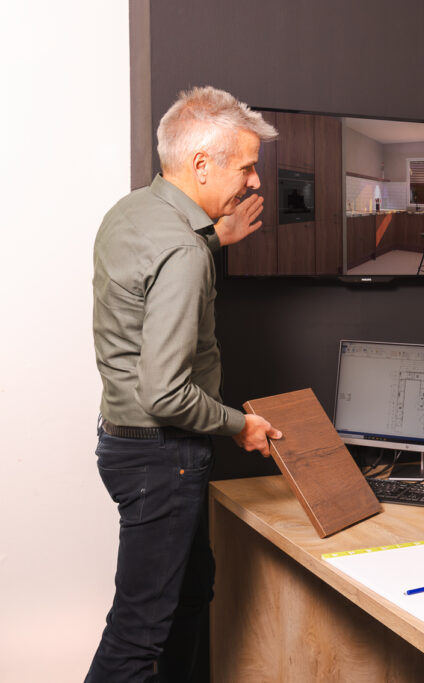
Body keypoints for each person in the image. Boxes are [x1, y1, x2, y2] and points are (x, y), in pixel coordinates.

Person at [89, 86, 283, 681]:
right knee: (140, 635)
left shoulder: (135, 212)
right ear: (202, 164)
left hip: (127, 446)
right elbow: (166, 393)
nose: (253, 182)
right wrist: (238, 424)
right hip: (162, 456)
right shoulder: (183, 250)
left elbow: (156, 272)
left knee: (189, 599)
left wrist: (213, 240)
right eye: (247, 166)